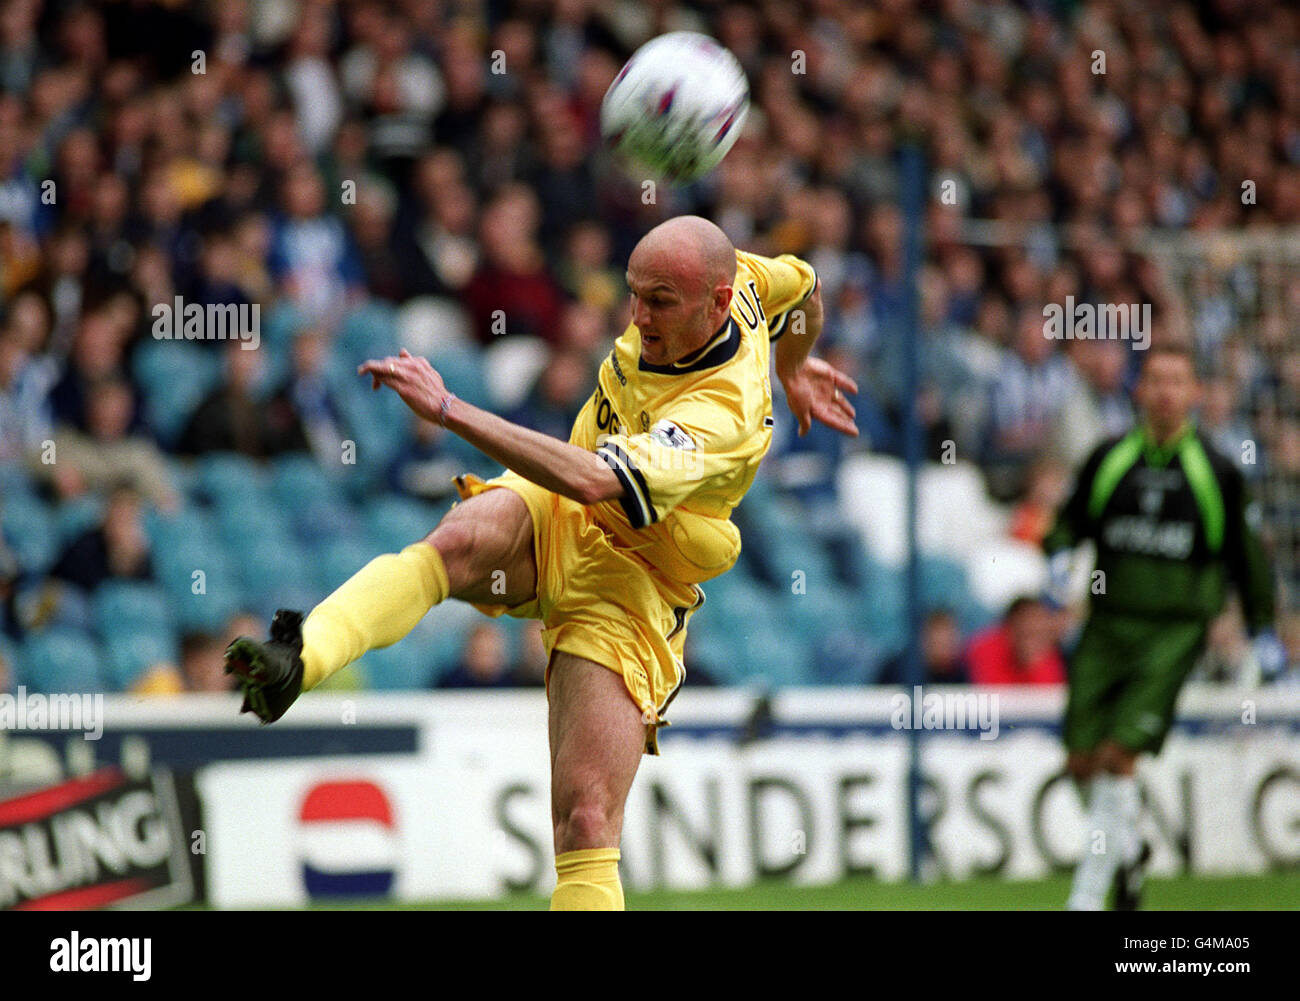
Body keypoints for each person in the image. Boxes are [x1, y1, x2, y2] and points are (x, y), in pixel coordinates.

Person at [224, 215, 858, 910]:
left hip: (631, 578)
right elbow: (806, 288)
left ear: (715, 299)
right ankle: (300, 656)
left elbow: (594, 479)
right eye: (634, 293)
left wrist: (448, 409)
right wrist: (795, 366)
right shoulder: (740, 280)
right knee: (456, 542)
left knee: (585, 820)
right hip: (560, 507)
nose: (638, 316)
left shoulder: (722, 415)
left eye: (660, 301)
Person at [1042, 344, 1279, 911]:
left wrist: (1262, 628)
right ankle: (1127, 852)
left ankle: (1086, 898)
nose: (1167, 391)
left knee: (1120, 755)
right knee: (1080, 761)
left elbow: (1248, 559)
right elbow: (1067, 524)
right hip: (1106, 628)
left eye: (1178, 381)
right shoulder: (1109, 459)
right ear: (1139, 390)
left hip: (1173, 634)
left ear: (1195, 393)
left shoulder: (1215, 472)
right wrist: (1060, 556)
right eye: (1156, 380)